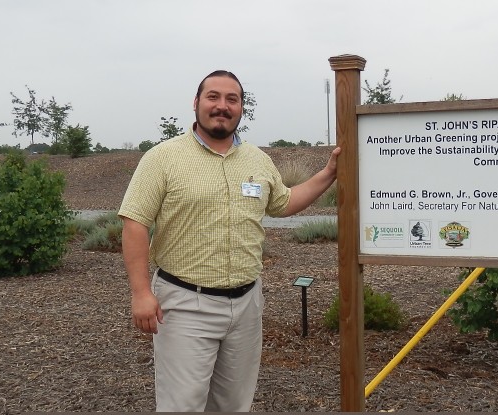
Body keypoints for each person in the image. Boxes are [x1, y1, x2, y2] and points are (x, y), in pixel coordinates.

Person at [119, 69, 340, 412]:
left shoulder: (257, 159)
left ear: (241, 108)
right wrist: (141, 293)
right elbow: (135, 222)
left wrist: (328, 174)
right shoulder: (163, 158)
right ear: (196, 103)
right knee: (182, 407)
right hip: (184, 303)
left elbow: (283, 203)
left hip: (247, 305)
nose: (222, 106)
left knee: (234, 406)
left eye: (231, 99)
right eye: (213, 97)